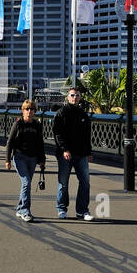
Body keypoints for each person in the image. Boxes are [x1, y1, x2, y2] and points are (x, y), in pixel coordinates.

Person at [53, 87, 94, 220]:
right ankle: (62, 209)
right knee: (63, 183)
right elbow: (57, 133)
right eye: (72, 95)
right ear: (67, 97)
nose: (75, 97)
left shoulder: (83, 114)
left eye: (77, 95)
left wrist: (88, 151)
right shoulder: (61, 113)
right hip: (65, 154)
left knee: (85, 182)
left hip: (81, 154)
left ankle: (82, 211)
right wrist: (64, 149)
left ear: (80, 98)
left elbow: (87, 134)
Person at [5, 99, 46, 222]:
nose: (29, 111)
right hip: (19, 157)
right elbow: (10, 142)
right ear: (23, 111)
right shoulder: (18, 124)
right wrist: (7, 160)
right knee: (26, 183)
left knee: (26, 185)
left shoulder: (37, 125)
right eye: (27, 109)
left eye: (32, 109)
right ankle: (25, 211)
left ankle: (19, 208)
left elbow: (40, 143)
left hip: (32, 158)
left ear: (34, 111)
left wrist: (42, 160)